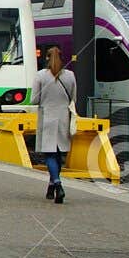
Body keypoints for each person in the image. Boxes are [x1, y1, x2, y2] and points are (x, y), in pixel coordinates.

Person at [33, 44, 76, 204]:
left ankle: (57, 184)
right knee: (58, 153)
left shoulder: (40, 76)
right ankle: (51, 187)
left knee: (49, 153)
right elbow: (73, 97)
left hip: (47, 117)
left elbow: (34, 99)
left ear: (46, 58)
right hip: (63, 117)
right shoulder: (70, 75)